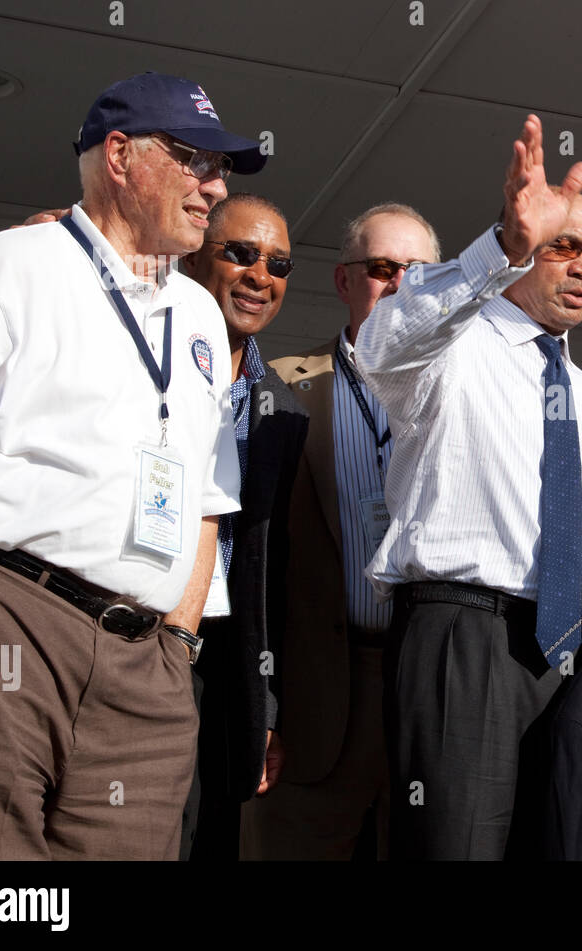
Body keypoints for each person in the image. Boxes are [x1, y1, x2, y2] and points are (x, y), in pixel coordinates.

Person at [0, 71, 264, 858]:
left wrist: (177, 646)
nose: (215, 188)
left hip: (145, 661)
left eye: (224, 170)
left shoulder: (200, 314)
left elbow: (208, 496)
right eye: (196, 161)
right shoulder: (7, 269)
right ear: (119, 156)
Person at [357, 114, 582, 860]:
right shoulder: (451, 348)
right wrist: (499, 246)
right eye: (563, 247)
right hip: (465, 642)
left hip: (576, 656)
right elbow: (382, 342)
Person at [240, 202, 440, 860]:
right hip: (311, 703)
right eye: (384, 268)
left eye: (420, 271)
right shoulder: (284, 389)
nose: (401, 285)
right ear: (344, 281)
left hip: (428, 703)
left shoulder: (468, 396)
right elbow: (255, 567)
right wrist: (261, 707)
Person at [176, 193, 308, 859]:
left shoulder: (283, 412)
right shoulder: (146, 359)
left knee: (210, 836)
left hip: (228, 659)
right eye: (241, 253)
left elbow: (278, 575)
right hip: (141, 631)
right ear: (196, 253)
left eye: (279, 263)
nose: (261, 275)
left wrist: (268, 711)